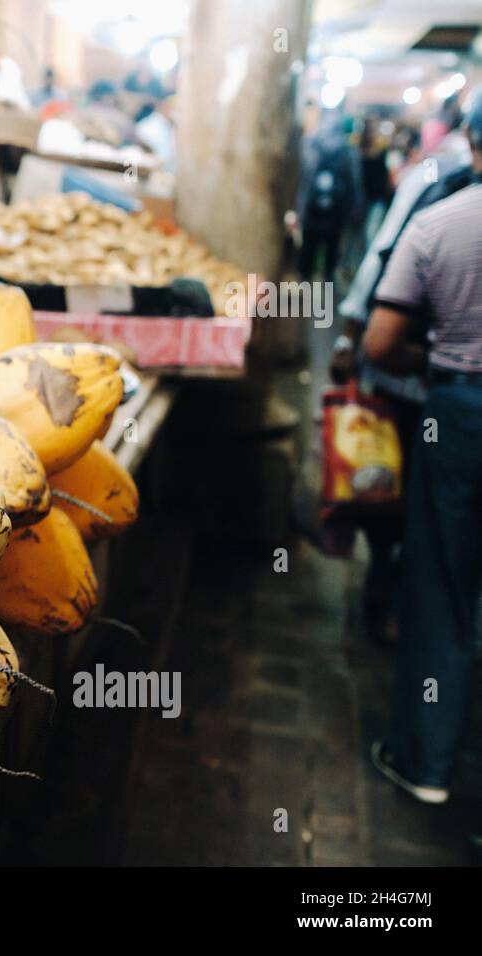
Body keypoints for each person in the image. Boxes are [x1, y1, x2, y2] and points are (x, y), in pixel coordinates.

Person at [363, 93, 482, 805]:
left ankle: (426, 760)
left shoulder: (440, 223)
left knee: (439, 585)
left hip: (459, 411)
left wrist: (431, 360)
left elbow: (381, 343)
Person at [330, 103, 477, 645]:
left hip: (425, 376)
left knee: (409, 491)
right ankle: (391, 589)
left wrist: (355, 335)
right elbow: (382, 253)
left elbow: (380, 253)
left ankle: (400, 596)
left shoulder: (437, 179)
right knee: (402, 490)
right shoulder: (437, 177)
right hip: (420, 373)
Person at [296, 113, 363, 285]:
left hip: (315, 210)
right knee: (329, 248)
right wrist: (355, 208)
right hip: (334, 212)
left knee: (309, 247)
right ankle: (326, 280)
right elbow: (354, 182)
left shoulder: (311, 145)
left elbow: (301, 178)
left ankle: (307, 279)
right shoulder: (347, 150)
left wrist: (298, 208)